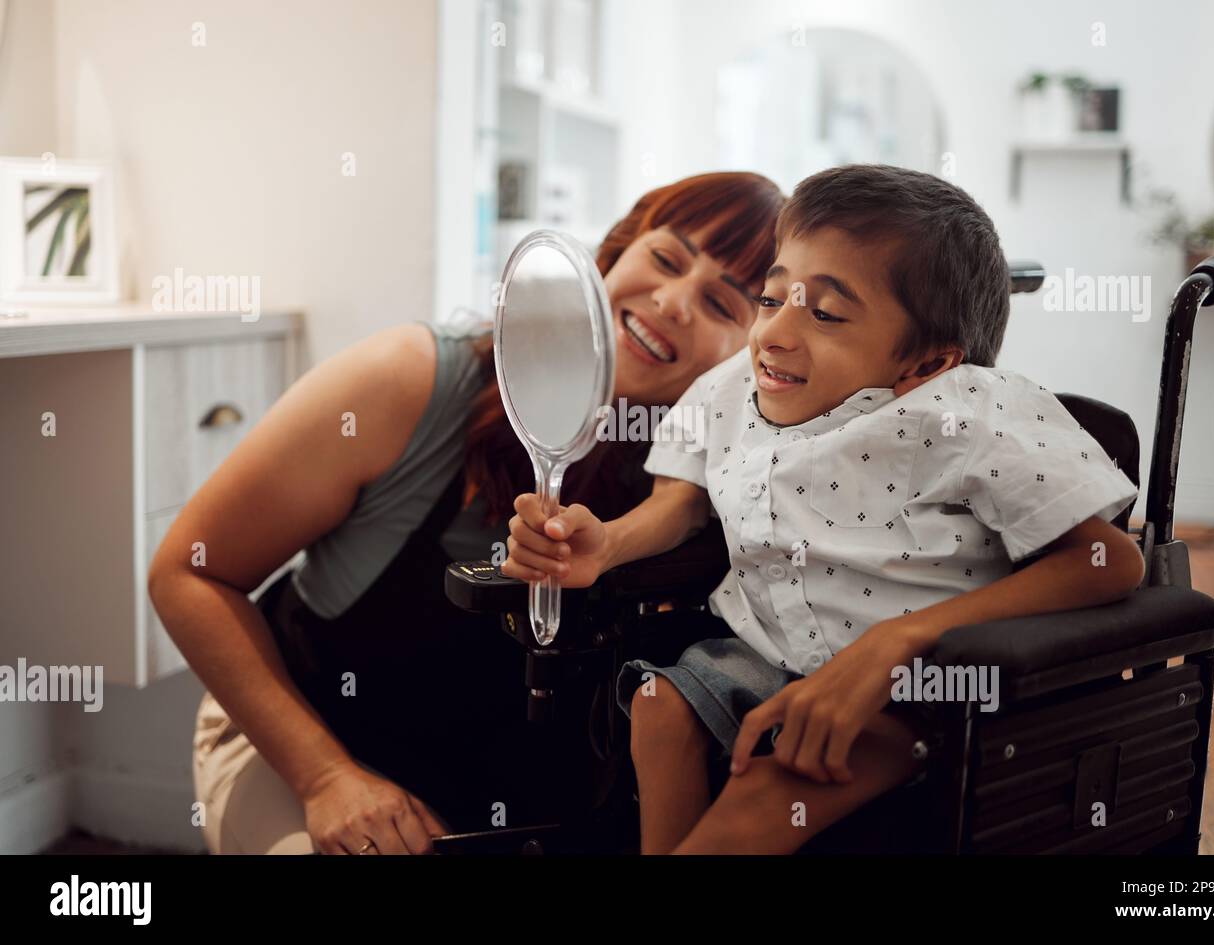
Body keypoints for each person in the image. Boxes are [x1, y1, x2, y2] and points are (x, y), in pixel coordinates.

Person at [502, 164, 1146, 854]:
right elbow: (681, 504)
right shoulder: (727, 390)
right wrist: (606, 545)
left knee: (772, 790)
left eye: (827, 314)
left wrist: (896, 644)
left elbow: (1110, 562)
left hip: (922, 689)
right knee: (659, 708)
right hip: (762, 653)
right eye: (772, 297)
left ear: (928, 364)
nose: (773, 333)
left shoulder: (970, 409)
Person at [147, 171, 785, 854]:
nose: (672, 302)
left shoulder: (711, 485)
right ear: (614, 252)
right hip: (300, 738)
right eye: (664, 258)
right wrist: (326, 776)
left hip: (483, 792)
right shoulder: (409, 379)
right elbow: (188, 574)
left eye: (722, 304)